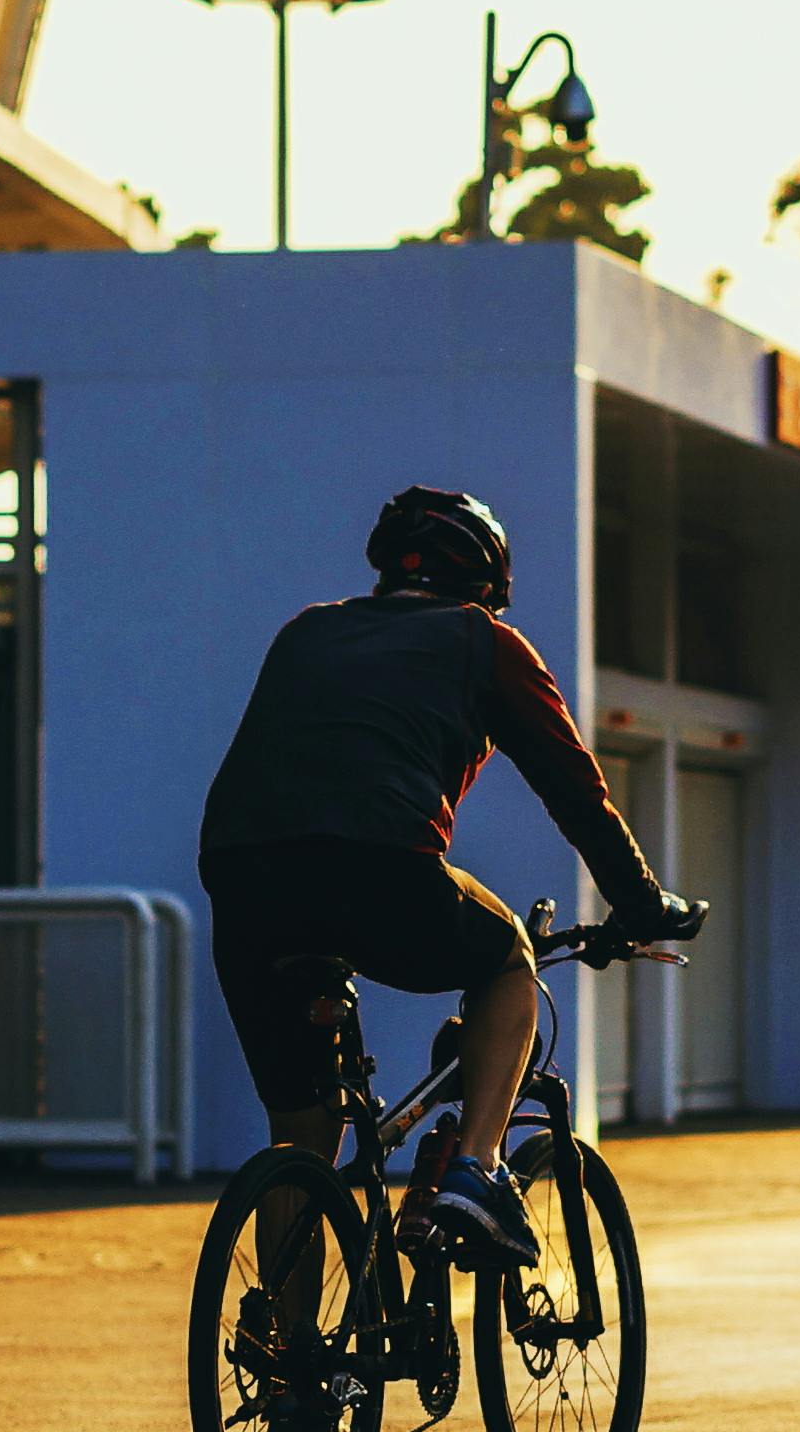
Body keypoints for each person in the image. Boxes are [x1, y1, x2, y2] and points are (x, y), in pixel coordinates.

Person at [198, 485, 693, 1305]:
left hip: (242, 875)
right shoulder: (485, 640)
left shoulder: (307, 630)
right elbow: (578, 794)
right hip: (379, 863)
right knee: (508, 956)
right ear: (489, 579)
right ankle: (478, 1169)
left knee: (302, 1133)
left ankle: (289, 1364)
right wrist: (642, 904)